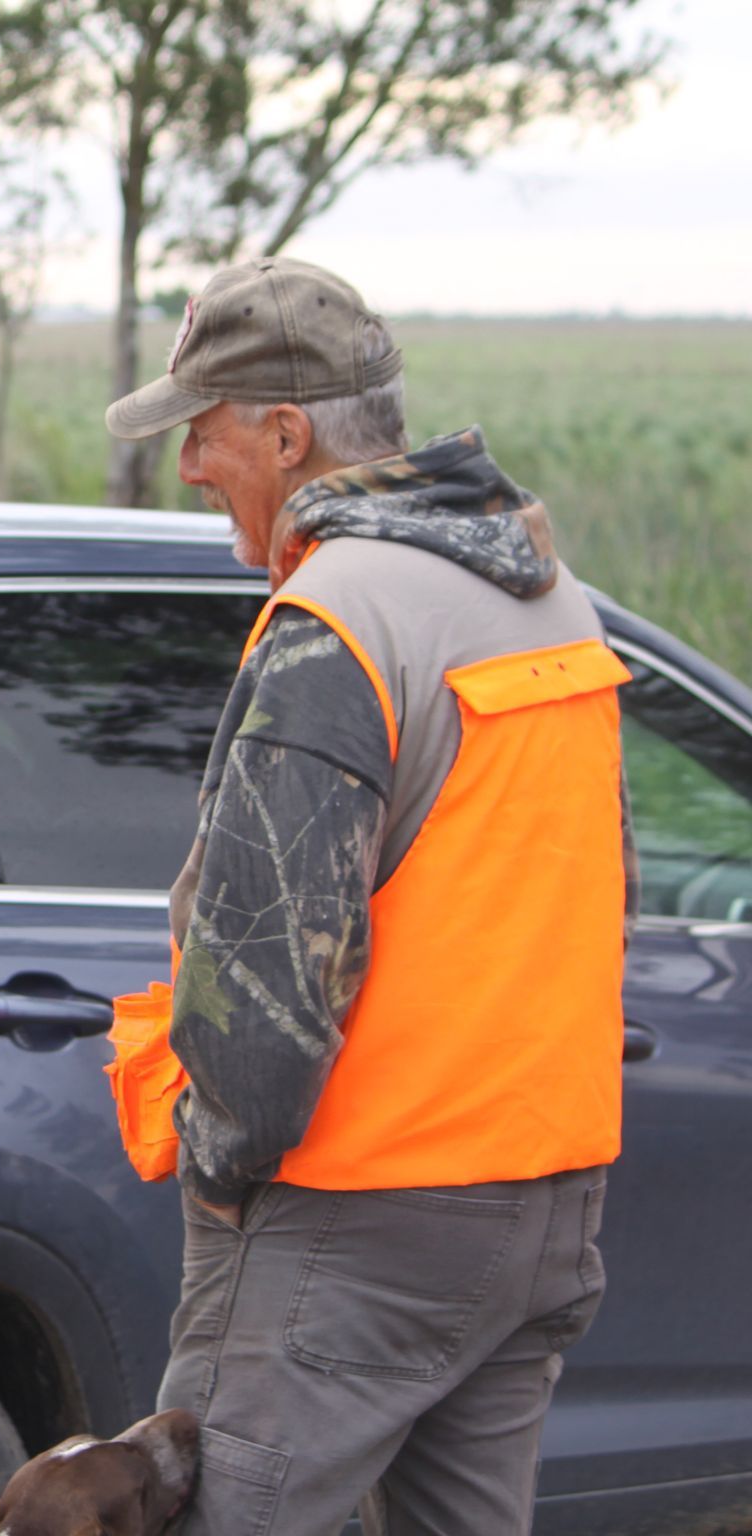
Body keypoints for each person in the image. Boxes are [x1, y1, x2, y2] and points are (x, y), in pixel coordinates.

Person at [105, 257, 633, 1535]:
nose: (189, 465)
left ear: (288, 437)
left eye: (204, 430)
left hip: (357, 1222)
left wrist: (222, 1174)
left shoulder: (335, 619)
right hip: (545, 1202)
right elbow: (603, 891)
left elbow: (266, 979)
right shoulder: (551, 599)